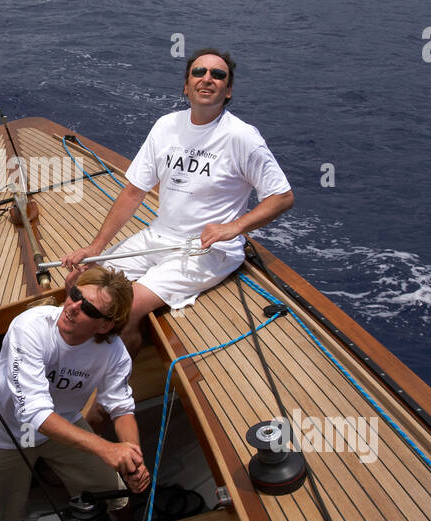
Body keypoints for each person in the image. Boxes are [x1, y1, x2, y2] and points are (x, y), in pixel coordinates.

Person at [63, 49, 294, 354]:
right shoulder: (166, 126)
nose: (207, 78)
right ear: (186, 86)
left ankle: (112, 394)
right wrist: (96, 247)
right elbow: (134, 192)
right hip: (158, 236)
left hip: (207, 251)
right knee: (77, 286)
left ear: (228, 90)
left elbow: (282, 197)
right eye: (198, 72)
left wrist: (233, 228)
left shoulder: (242, 137)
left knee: (125, 308)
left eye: (218, 74)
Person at [0, 265, 150, 521]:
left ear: (105, 325)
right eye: (74, 294)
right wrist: (107, 448)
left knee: (113, 493)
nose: (72, 307)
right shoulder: (30, 328)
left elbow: (120, 407)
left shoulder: (114, 353)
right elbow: (34, 413)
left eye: (89, 309)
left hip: (61, 422)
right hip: (3, 433)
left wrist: (132, 458)